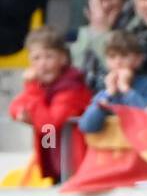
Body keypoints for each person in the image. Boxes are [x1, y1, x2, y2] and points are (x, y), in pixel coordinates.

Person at [8, 27, 92, 183]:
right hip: (57, 162)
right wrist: (22, 111)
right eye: (36, 58)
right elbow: (15, 106)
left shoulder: (72, 88)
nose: (42, 64)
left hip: (75, 167)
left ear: (63, 58)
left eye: (49, 56)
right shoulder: (44, 87)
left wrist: (32, 88)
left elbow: (49, 124)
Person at [79, 27, 147, 131]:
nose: (118, 62)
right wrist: (108, 94)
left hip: (141, 145)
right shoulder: (106, 87)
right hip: (113, 145)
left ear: (138, 59)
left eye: (124, 56)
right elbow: (86, 126)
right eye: (112, 57)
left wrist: (126, 90)